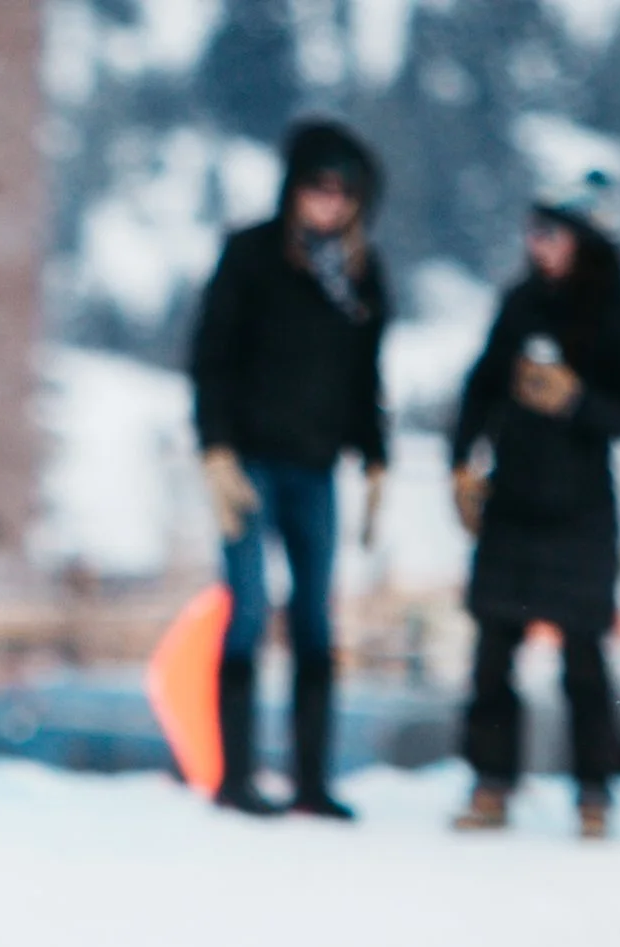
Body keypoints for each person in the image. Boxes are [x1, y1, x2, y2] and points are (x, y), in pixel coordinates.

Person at [191, 116, 390, 821]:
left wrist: (376, 458)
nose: (329, 202)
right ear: (294, 189)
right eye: (318, 187)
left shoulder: (361, 278)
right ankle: (235, 776)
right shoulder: (250, 257)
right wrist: (214, 449)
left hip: (316, 467)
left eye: (344, 191)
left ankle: (311, 780)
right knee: (245, 607)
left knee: (314, 617)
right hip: (248, 463)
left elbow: (366, 378)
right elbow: (210, 356)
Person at [449, 184, 620, 839]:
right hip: (513, 502)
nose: (538, 245)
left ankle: (594, 792)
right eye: (533, 231)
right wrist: (461, 463)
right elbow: (481, 386)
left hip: (582, 512)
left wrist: (577, 400)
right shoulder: (519, 305)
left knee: (586, 663)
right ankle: (491, 785)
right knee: (491, 656)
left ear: (584, 241)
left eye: (552, 233)